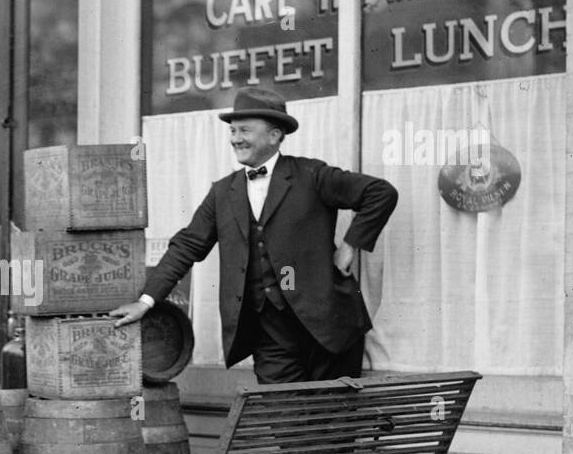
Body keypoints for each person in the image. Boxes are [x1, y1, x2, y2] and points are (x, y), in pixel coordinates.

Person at [111, 86, 398, 383]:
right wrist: (146, 301)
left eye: (244, 130)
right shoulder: (223, 193)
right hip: (269, 334)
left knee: (332, 423)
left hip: (329, 328)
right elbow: (187, 246)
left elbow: (380, 193)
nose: (235, 138)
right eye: (233, 131)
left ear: (274, 136)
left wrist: (350, 247)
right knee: (279, 418)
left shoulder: (312, 175)